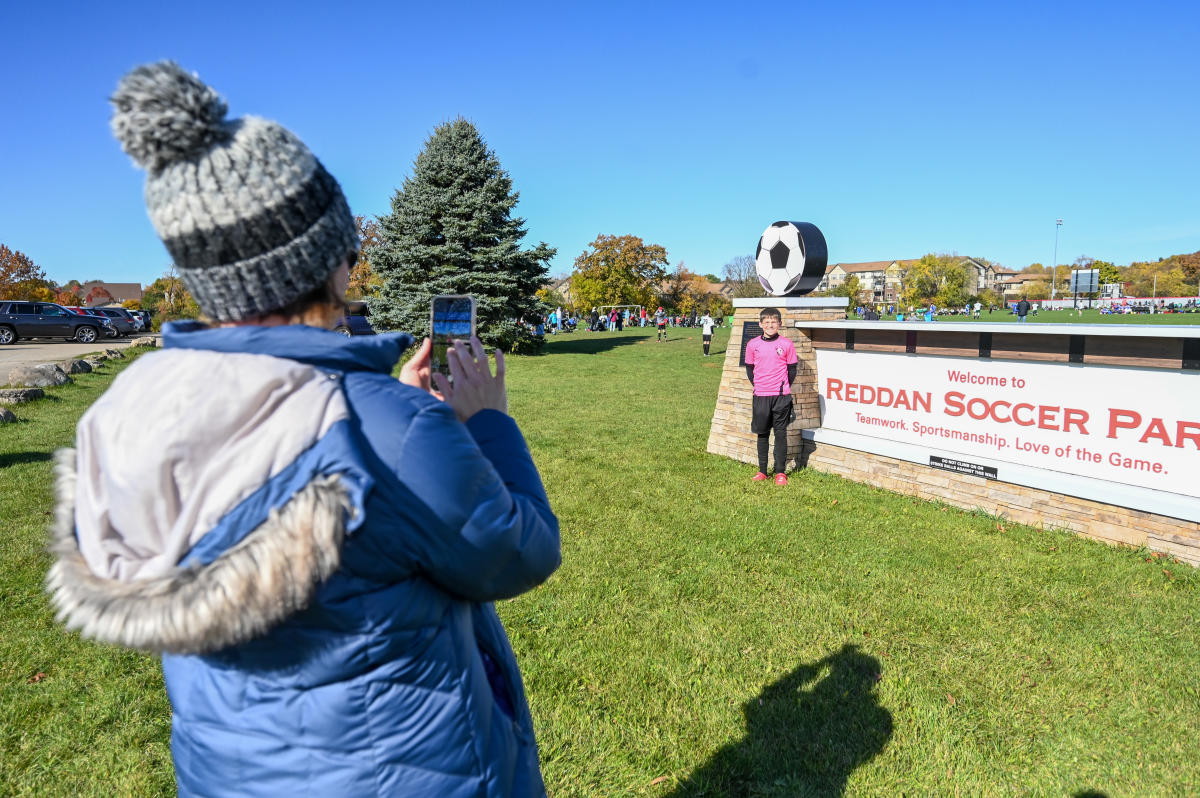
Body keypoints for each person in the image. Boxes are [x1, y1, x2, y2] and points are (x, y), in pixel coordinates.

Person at [48, 61, 560, 798]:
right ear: (330, 261)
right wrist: (486, 423)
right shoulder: (386, 428)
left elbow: (288, 426)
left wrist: (391, 407)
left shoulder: (126, 410)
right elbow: (520, 553)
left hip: (230, 775)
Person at [744, 307, 797, 486]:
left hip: (781, 397)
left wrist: (781, 387)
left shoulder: (787, 344)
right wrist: (760, 386)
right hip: (761, 395)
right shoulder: (752, 344)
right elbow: (750, 370)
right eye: (766, 322)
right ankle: (762, 470)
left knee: (780, 434)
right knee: (763, 434)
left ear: (780, 324)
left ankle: (780, 472)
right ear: (760, 324)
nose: (770, 325)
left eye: (774, 322)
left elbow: (792, 370)